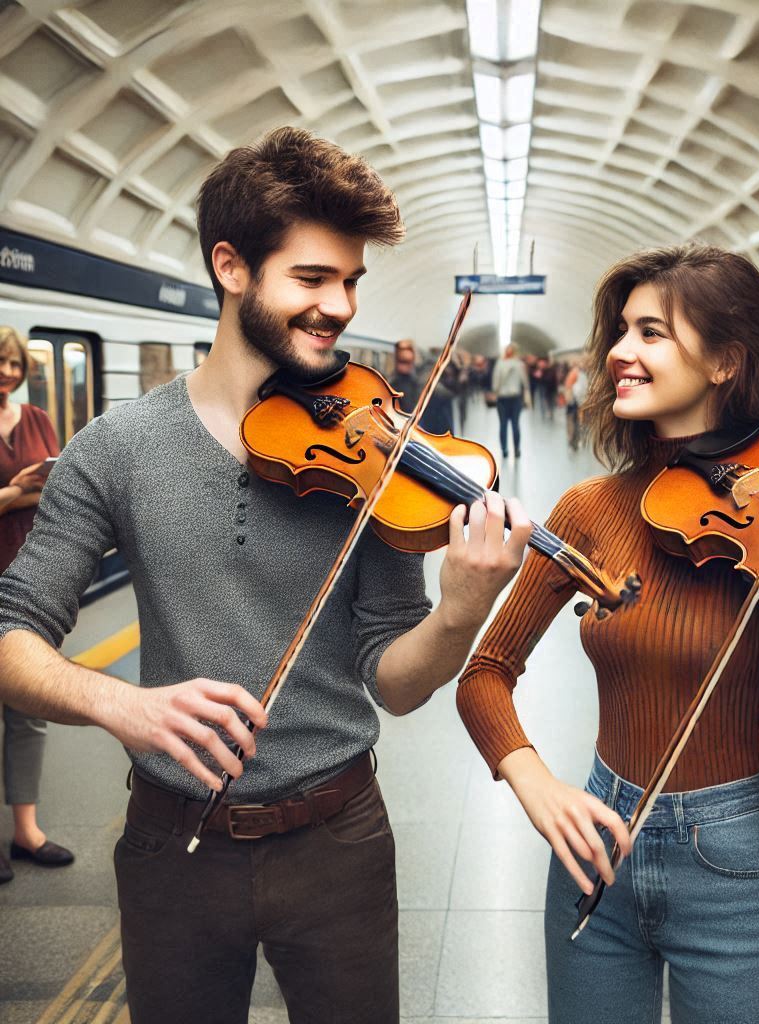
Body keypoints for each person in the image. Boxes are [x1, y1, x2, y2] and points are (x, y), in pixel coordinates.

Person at [0, 127, 532, 1024]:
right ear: (231, 267)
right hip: (172, 842)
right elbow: (11, 631)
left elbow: (393, 684)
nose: (340, 308)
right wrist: (123, 705)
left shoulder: (375, 457)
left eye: (351, 281)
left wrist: (459, 614)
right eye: (313, 280)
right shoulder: (116, 450)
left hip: (341, 836)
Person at [456, 245, 759, 1024]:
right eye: (621, 332)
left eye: (651, 333)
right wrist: (537, 786)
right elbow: (485, 673)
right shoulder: (588, 509)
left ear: (726, 361)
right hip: (593, 843)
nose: (620, 353)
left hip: (734, 863)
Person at [0, 326, 75, 885]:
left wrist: (25, 489)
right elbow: (24, 492)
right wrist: (11, 493)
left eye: (14, 364)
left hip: (24, 576)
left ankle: (26, 831)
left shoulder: (38, 421)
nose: (7, 373)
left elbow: (54, 486)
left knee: (27, 712)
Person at [491, 342, 530, 458]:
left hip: (502, 399)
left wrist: (496, 390)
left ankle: (504, 450)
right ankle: (517, 449)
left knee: (503, 425)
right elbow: (525, 382)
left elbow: (495, 383)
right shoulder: (519, 364)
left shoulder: (499, 363)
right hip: (515, 398)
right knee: (515, 425)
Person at [562, 358, 589, 452]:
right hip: (576, 402)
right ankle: (574, 440)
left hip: (579, 402)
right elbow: (568, 387)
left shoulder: (580, 373)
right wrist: (570, 400)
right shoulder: (576, 373)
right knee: (575, 422)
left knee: (576, 422)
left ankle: (574, 440)